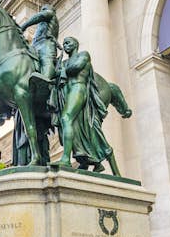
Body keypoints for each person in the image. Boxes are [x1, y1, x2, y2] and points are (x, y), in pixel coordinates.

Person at [52, 37, 121, 176]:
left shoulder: (83, 55)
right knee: (73, 126)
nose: (65, 45)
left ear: (76, 44)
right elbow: (54, 75)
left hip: (79, 89)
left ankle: (65, 159)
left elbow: (74, 68)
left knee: (66, 118)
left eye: (68, 42)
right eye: (64, 43)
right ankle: (92, 162)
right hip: (68, 93)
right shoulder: (64, 62)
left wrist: (61, 69)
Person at [18, 3, 59, 83]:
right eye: (42, 10)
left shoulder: (51, 14)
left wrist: (23, 26)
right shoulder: (41, 24)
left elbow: (40, 16)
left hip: (46, 43)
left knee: (46, 61)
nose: (42, 11)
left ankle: (46, 82)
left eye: (44, 9)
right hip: (35, 45)